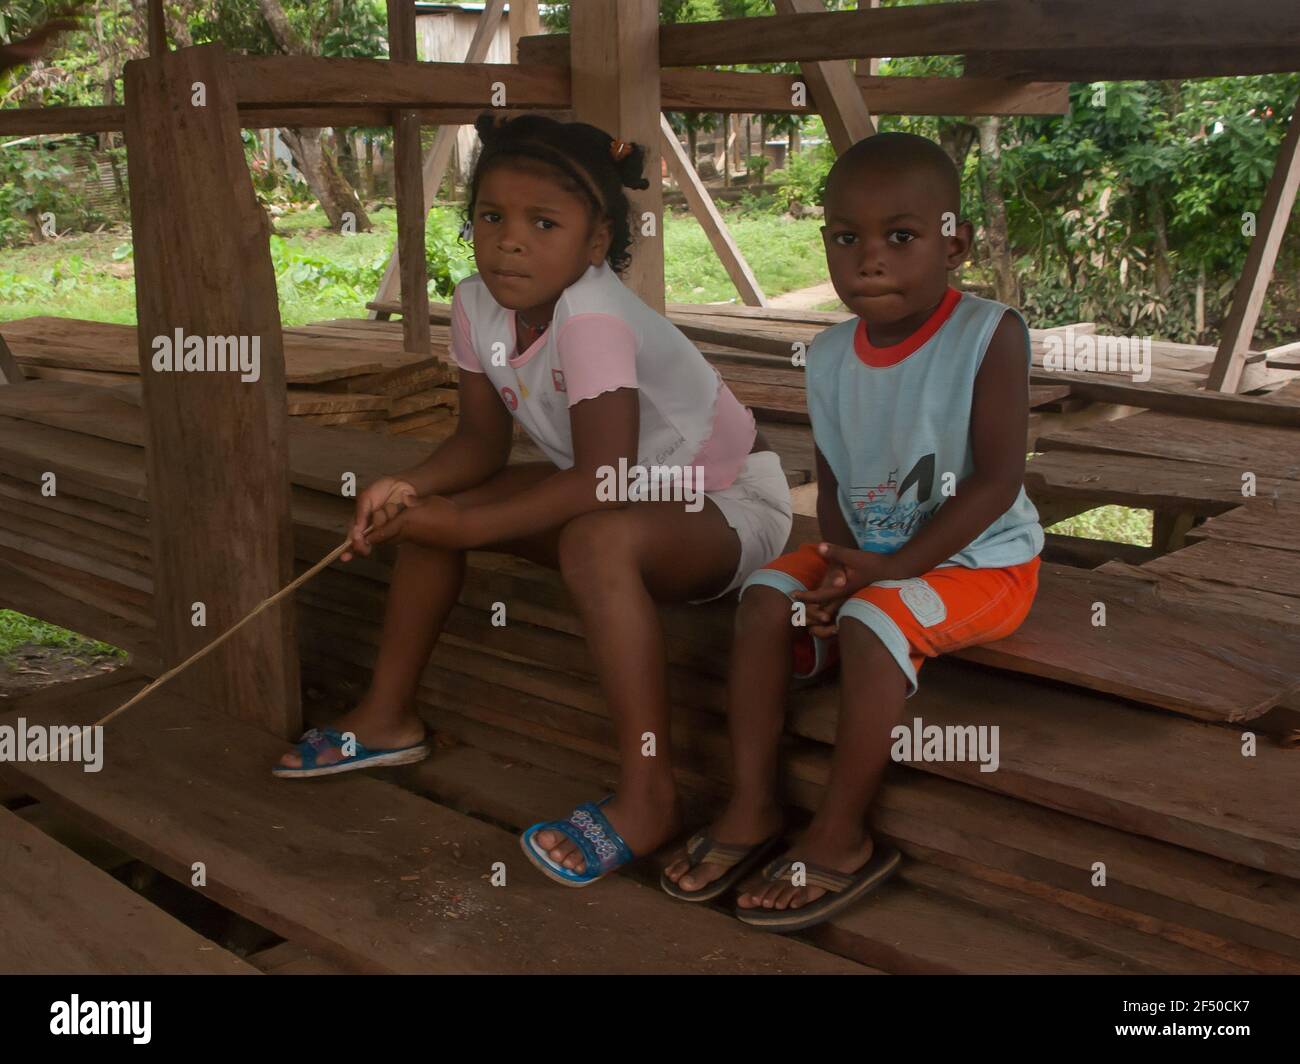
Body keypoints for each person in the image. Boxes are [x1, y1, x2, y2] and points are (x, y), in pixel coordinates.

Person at [274, 112, 794, 889]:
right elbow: (479, 448)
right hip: (618, 495)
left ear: (595, 245)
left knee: (586, 540)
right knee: (425, 518)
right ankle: (387, 717)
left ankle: (649, 795)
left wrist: (468, 521)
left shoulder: (594, 319)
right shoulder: (478, 305)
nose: (510, 239)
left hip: (722, 504)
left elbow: (602, 480)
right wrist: (411, 488)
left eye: (542, 222)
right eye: (491, 217)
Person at [662, 132, 1043, 932]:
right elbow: (833, 478)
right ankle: (754, 806)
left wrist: (886, 573)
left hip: (983, 562)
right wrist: (840, 564)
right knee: (766, 597)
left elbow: (997, 480)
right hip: (872, 555)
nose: (869, 259)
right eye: (846, 238)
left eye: (900, 238)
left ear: (954, 243)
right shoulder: (831, 353)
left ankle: (840, 839)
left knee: (873, 622)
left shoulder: (987, 334)